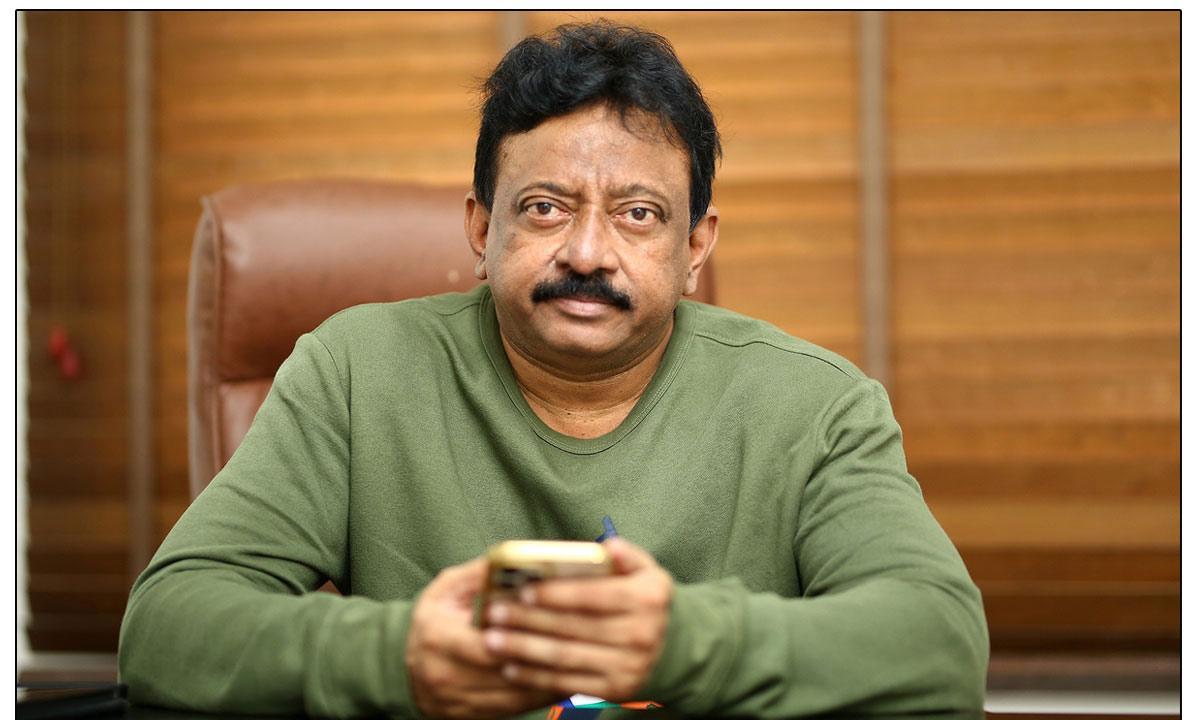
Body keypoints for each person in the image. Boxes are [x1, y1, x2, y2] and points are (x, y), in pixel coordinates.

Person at [118, 20, 989, 719]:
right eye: (544, 207)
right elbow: (167, 628)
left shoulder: (818, 406)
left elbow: (940, 642)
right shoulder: (353, 371)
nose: (587, 252)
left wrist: (682, 645)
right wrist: (398, 659)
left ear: (695, 248)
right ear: (480, 229)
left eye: (638, 214)